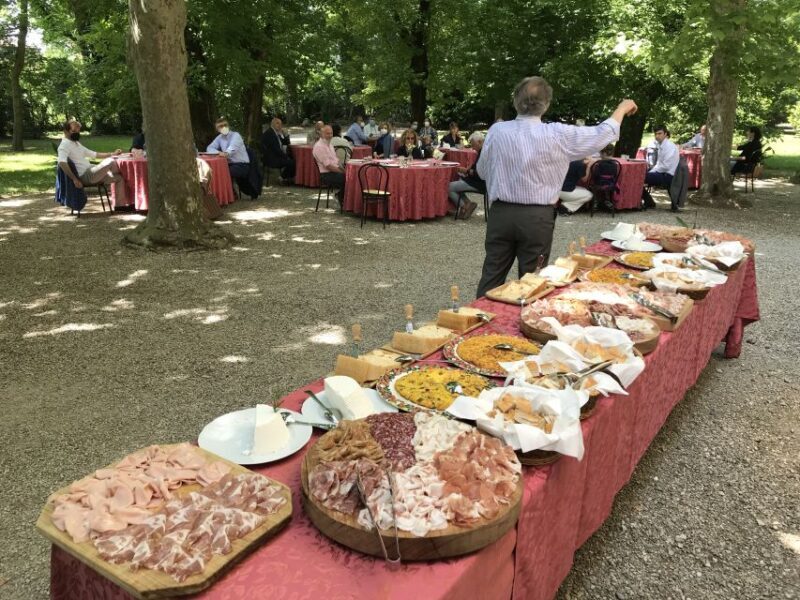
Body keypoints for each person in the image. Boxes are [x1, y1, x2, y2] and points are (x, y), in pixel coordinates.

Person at [475, 76, 637, 297]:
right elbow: (602, 134)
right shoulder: (558, 134)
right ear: (547, 104)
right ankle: (523, 326)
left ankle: (478, 324)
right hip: (537, 217)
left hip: (501, 213)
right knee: (532, 281)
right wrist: (622, 108)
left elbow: (483, 172)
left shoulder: (497, 131)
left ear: (515, 101)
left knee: (492, 276)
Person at [57, 119, 128, 206]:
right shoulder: (64, 145)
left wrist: (112, 153)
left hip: (92, 171)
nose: (77, 133)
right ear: (66, 131)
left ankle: (120, 206)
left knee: (119, 178)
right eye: (74, 131)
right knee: (111, 161)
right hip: (85, 176)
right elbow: (61, 162)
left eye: (78, 131)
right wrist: (74, 179)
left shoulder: (75, 143)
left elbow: (94, 154)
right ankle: (130, 176)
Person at [448, 131, 485, 219]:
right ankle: (468, 203)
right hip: (479, 181)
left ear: (479, 142)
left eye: (473, 144)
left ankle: (464, 206)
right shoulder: (484, 151)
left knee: (448, 187)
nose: (472, 147)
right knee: (460, 180)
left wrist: (468, 171)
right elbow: (476, 168)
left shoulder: (483, 153)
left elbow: (479, 173)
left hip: (480, 183)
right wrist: (467, 170)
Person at [640, 125, 679, 211]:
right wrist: (652, 171)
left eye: (660, 133)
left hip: (668, 175)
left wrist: (652, 172)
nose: (657, 136)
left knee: (638, 178)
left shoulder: (669, 146)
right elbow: (659, 164)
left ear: (665, 134)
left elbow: (665, 166)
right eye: (656, 134)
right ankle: (649, 201)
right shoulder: (662, 145)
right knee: (639, 174)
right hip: (663, 172)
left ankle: (648, 201)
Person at [312, 125, 346, 203]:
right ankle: (341, 198)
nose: (330, 135)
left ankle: (345, 200)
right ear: (322, 134)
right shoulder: (319, 147)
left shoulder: (329, 145)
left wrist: (343, 169)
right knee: (349, 179)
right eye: (327, 133)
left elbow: (336, 161)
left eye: (331, 133)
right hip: (326, 174)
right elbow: (328, 166)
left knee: (352, 176)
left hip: (333, 172)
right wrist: (342, 172)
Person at [260, 116, 295, 183]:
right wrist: (286, 157)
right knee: (291, 162)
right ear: (272, 124)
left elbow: (286, 143)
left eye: (281, 124)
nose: (280, 125)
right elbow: (276, 150)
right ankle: (282, 178)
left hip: (275, 156)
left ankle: (287, 178)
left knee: (292, 158)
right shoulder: (269, 134)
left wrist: (285, 134)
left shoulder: (276, 133)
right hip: (271, 159)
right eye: (277, 123)